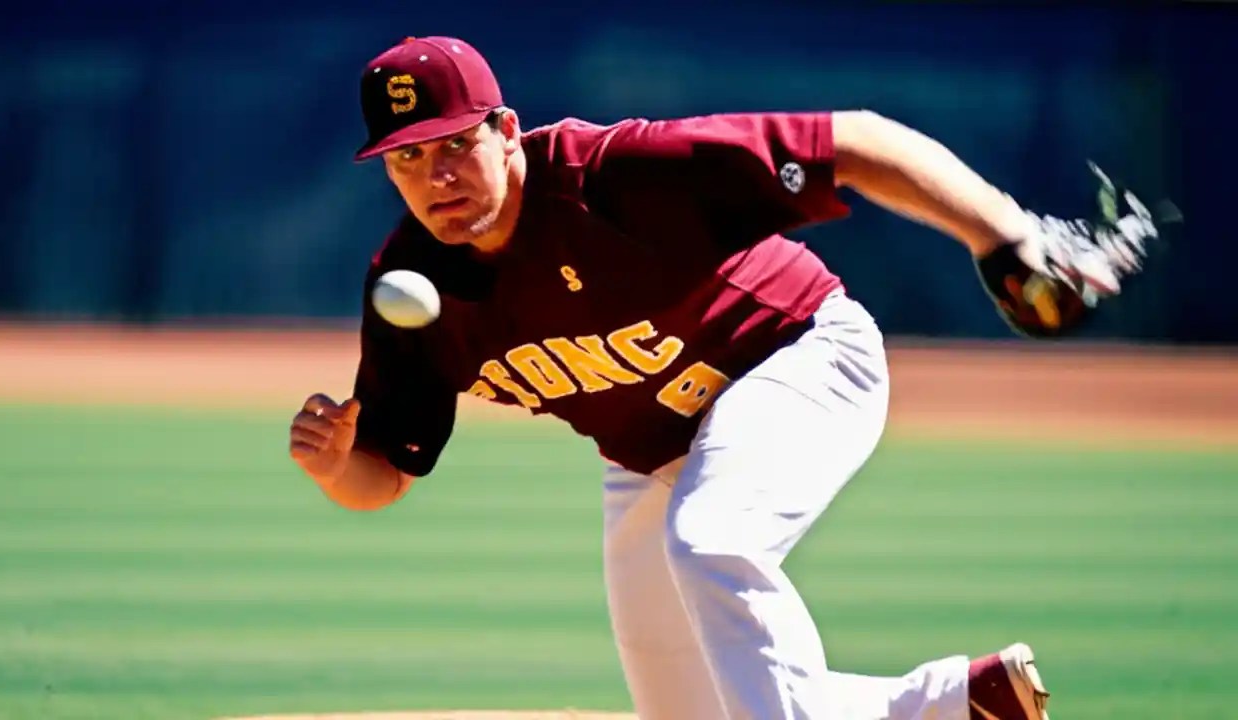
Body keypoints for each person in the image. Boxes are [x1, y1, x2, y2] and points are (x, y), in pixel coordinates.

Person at [289, 35, 1156, 720]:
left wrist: (1003, 236)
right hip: (650, 454)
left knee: (713, 542)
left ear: (507, 131)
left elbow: (852, 140)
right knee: (691, 708)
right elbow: (386, 473)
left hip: (799, 357)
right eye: (407, 160)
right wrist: (335, 466)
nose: (435, 177)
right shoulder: (414, 288)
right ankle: (953, 705)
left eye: (453, 145)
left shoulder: (613, 179)